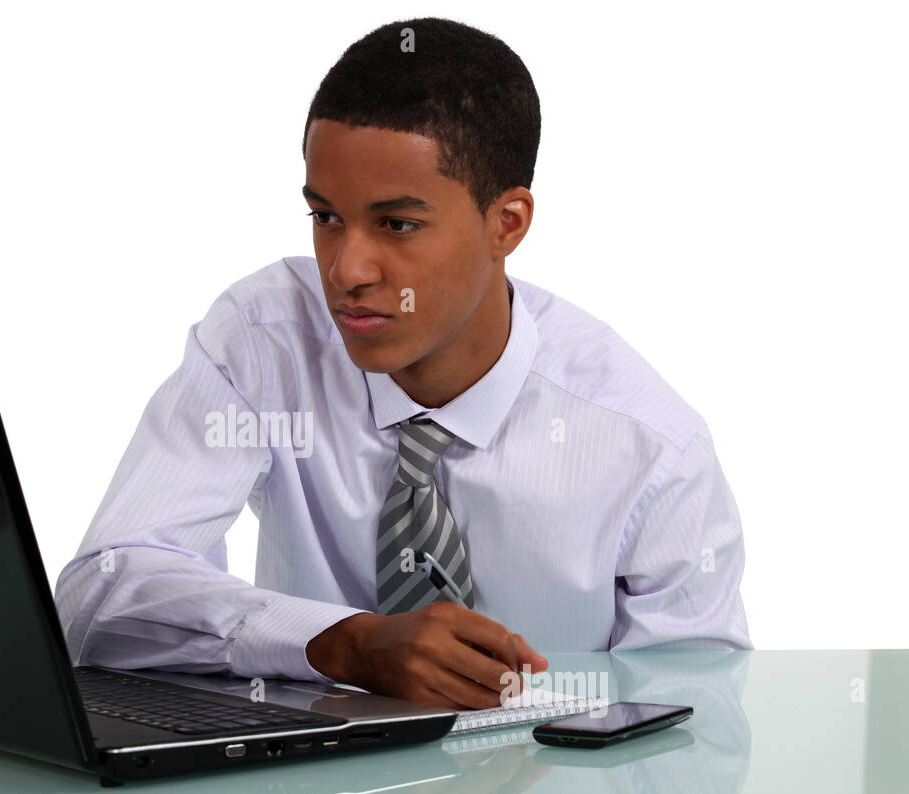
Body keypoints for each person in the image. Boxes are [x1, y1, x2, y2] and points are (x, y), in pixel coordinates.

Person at [53, 17, 749, 710]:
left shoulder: (653, 450)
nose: (346, 270)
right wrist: (339, 642)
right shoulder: (264, 342)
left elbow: (695, 734)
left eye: (398, 225)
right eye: (326, 217)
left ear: (506, 223)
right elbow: (100, 594)